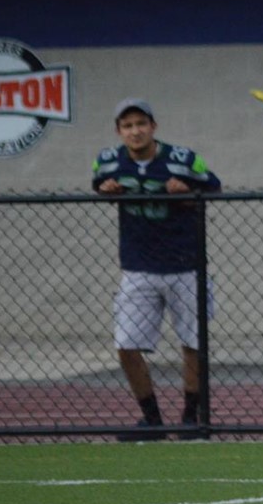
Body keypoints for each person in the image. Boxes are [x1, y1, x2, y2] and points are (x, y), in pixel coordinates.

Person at [91, 98, 222, 436]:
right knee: (127, 344)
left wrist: (188, 190)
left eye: (140, 124)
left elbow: (213, 185)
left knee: (194, 342)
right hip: (138, 267)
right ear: (119, 131)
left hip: (185, 264)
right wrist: (108, 190)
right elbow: (97, 183)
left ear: (153, 127)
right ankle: (152, 419)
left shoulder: (183, 159)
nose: (135, 131)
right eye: (128, 125)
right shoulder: (108, 162)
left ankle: (191, 417)